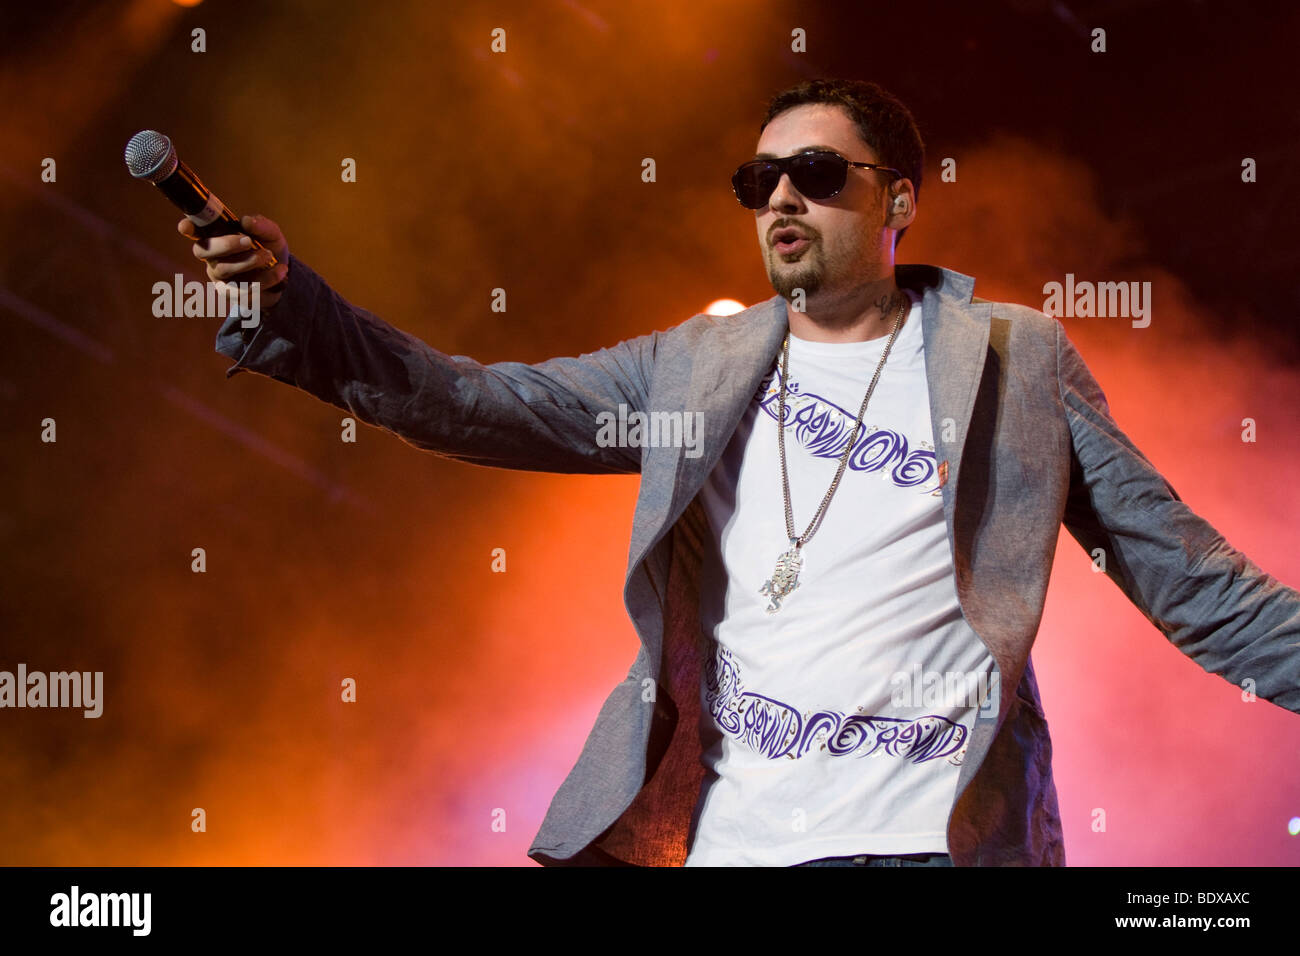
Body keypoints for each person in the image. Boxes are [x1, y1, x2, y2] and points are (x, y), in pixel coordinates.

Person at [185, 78, 1300, 867]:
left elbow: (1188, 579)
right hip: (735, 845)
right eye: (757, 177)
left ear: (899, 200)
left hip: (935, 843)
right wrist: (296, 305)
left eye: (815, 173)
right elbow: (468, 401)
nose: (779, 199)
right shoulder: (689, 364)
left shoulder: (1012, 357)